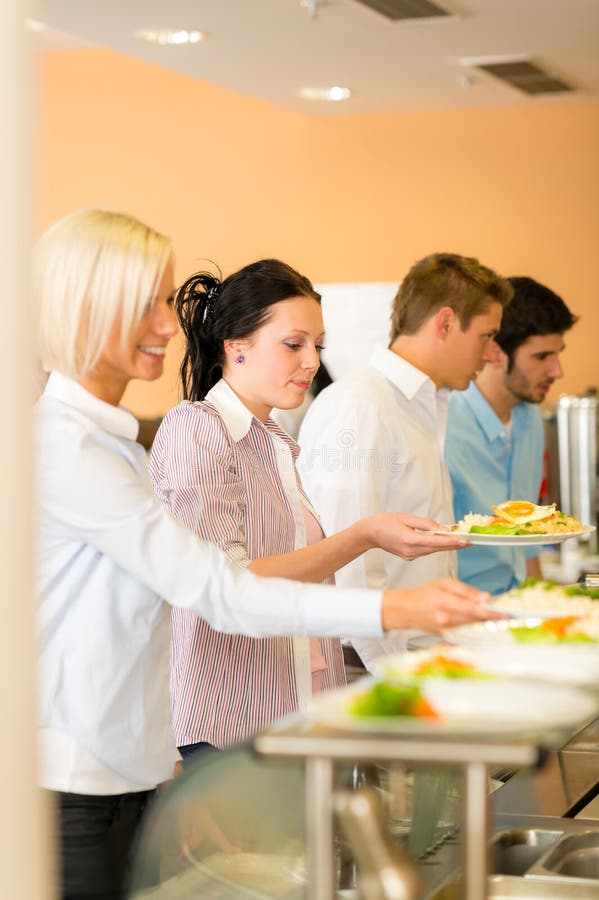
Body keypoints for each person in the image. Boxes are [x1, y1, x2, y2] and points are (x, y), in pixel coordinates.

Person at [34, 211, 500, 900]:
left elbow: (145, 627)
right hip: (78, 777)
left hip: (130, 769)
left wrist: (166, 768)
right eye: (148, 305)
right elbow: (219, 589)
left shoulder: (118, 446)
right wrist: (393, 600)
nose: (169, 326)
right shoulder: (73, 449)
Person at [149, 259, 473, 759]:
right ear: (236, 348)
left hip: (292, 708)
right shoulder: (196, 429)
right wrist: (364, 535)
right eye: (293, 344)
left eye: (316, 346)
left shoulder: (274, 441)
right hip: (227, 723)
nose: (311, 363)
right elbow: (230, 583)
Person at [299, 252, 513, 670]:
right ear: (446, 323)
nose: (491, 355)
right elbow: (349, 567)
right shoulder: (362, 405)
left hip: (419, 654)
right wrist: (394, 671)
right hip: (369, 661)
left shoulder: (424, 405)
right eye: (487, 336)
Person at [445, 276, 578, 595]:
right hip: (457, 612)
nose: (557, 371)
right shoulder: (445, 420)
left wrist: (540, 607)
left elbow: (528, 540)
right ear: (494, 351)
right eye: (541, 356)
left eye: (558, 353)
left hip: (516, 605)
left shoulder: (530, 416)